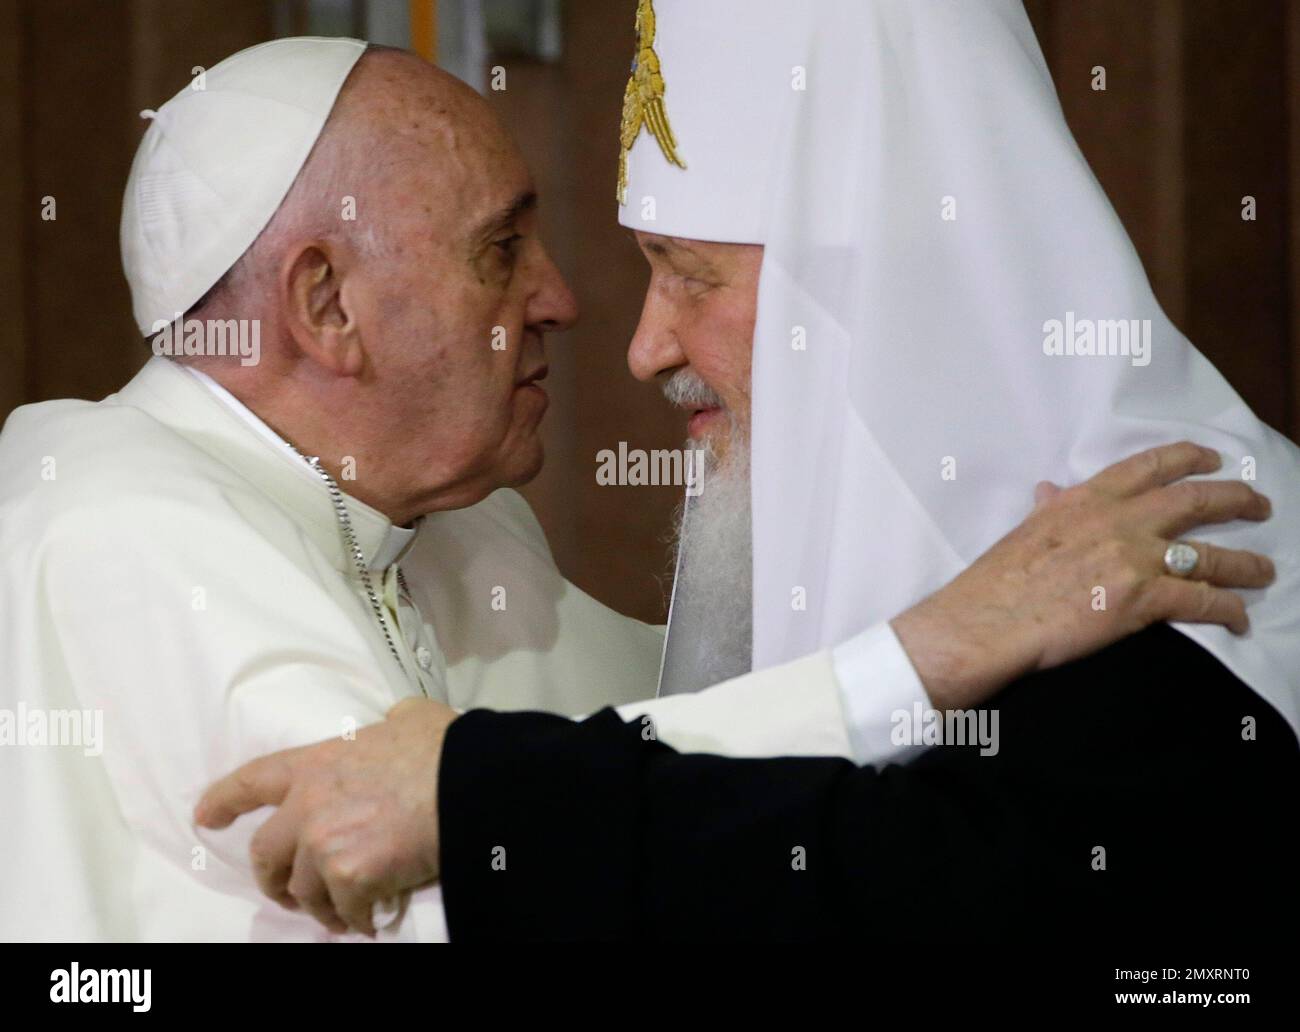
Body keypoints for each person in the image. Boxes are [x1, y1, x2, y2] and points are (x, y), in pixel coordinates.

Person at [198, 1, 1299, 941]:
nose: (644, 348)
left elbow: (888, 885)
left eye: (689, 276)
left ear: (880, 292)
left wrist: (473, 793)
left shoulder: (1192, 571)